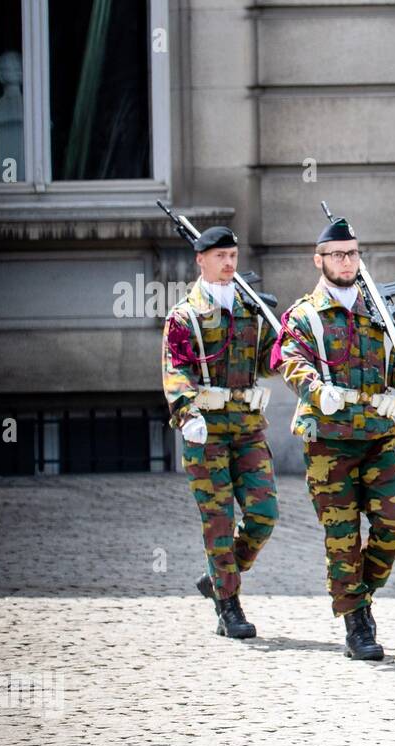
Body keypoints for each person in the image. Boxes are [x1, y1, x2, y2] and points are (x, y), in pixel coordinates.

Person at [273, 217, 395, 661]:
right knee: (342, 535)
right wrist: (316, 389)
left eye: (353, 253)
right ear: (320, 260)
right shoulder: (305, 314)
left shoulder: (381, 312)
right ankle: (356, 623)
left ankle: (358, 595)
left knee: (394, 525)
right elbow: (288, 359)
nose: (347, 261)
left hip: (375, 438)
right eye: (337, 254)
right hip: (329, 442)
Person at [162, 225, 278, 640]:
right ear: (201, 260)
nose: (229, 263)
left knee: (264, 515)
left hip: (247, 429)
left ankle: (217, 579)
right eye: (220, 257)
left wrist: (285, 341)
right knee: (219, 520)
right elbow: (175, 368)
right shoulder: (186, 315)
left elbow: (268, 363)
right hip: (205, 432)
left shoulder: (251, 309)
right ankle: (229, 605)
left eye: (233, 255)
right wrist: (185, 412)